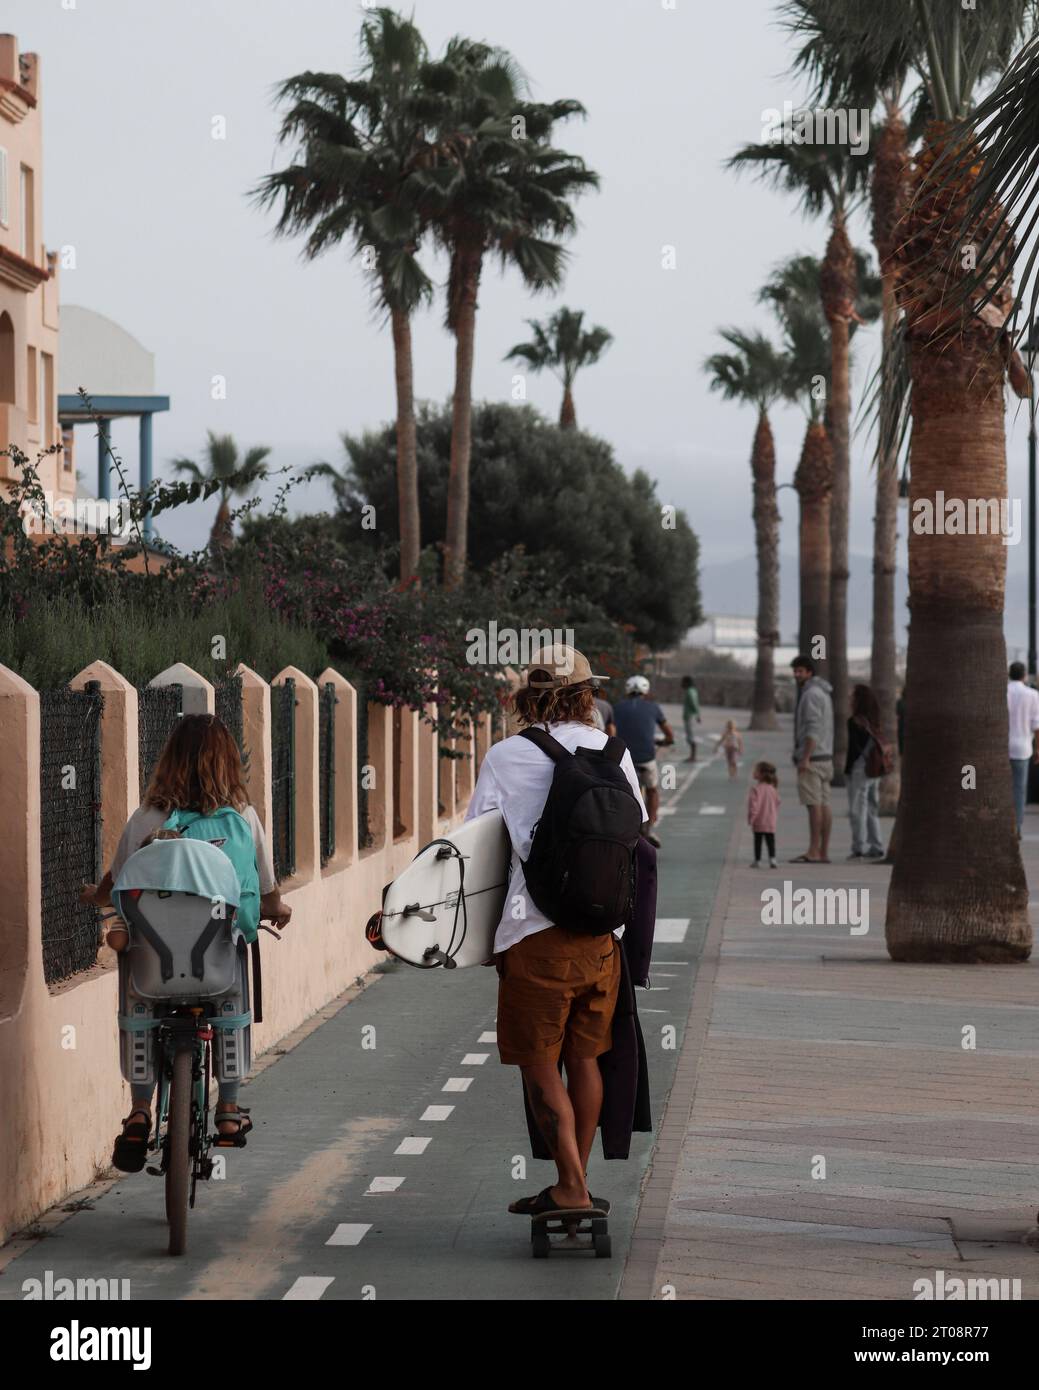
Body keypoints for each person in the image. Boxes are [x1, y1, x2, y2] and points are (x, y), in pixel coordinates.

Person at [465, 645, 647, 1218]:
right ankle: (576, 1182)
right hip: (601, 938)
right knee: (586, 1060)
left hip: (535, 934)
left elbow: (478, 847)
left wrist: (483, 940)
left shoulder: (505, 756)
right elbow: (636, 834)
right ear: (587, 694)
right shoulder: (614, 752)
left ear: (528, 697)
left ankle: (570, 1187)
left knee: (540, 1065)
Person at [80, 714, 292, 1171]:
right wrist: (277, 908)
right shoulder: (243, 818)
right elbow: (265, 889)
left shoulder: (146, 818)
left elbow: (116, 882)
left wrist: (94, 896)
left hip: (154, 970)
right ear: (229, 762)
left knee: (138, 1005)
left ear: (170, 760)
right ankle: (228, 1110)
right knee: (233, 995)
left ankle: (140, 1110)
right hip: (216, 970)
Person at [611, 675, 674, 848]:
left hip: (624, 758)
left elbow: (611, 732)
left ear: (627, 690)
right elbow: (669, 733)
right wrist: (667, 741)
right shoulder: (654, 707)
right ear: (646, 691)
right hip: (646, 758)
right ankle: (650, 828)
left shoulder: (617, 707)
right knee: (652, 790)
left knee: (624, 791)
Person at [790, 654, 834, 864]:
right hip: (826, 757)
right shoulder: (824, 694)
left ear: (809, 672)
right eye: (795, 671)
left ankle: (813, 851)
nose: (796, 675)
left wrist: (805, 757)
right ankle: (823, 852)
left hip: (814, 758)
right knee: (824, 804)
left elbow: (813, 729)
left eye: (800, 671)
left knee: (813, 804)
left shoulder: (810, 695)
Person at [845, 684, 886, 860]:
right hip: (875, 769)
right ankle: (876, 845)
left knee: (857, 809)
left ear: (858, 700)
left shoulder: (854, 722)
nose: (850, 699)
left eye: (852, 696)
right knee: (871, 808)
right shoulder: (874, 721)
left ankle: (858, 847)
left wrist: (848, 769)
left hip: (859, 769)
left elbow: (853, 750)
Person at [1007, 661, 1039, 836]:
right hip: (1023, 748)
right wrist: (1038, 749)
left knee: (1003, 787)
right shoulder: (1033, 695)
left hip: (1002, 747)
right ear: (1024, 675)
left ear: (1009, 674)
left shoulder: (1002, 692)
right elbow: (1037, 726)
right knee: (1019, 789)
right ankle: (1017, 825)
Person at [747, 761, 780, 868]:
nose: (753, 772)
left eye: (755, 770)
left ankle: (757, 860)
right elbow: (777, 803)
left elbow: (753, 807)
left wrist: (751, 818)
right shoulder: (773, 789)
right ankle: (772, 859)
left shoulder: (756, 789)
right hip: (770, 820)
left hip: (759, 821)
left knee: (758, 841)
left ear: (761, 774)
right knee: (770, 840)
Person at [681, 675, 701, 761]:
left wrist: (698, 715)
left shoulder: (689, 691)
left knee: (690, 736)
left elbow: (694, 703)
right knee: (690, 736)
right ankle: (692, 756)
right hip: (690, 716)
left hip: (689, 716)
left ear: (687, 682)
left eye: (683, 682)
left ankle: (693, 756)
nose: (682, 684)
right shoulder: (693, 690)